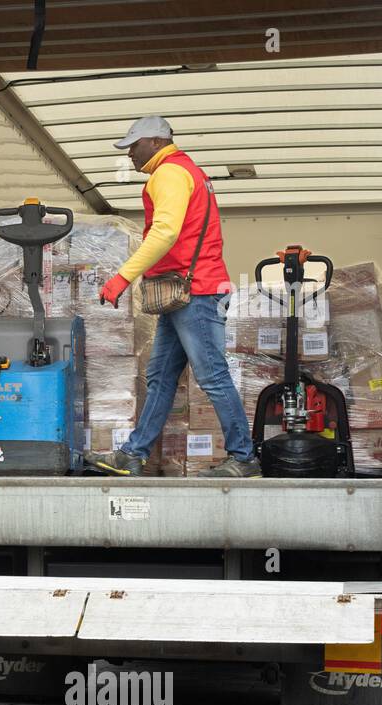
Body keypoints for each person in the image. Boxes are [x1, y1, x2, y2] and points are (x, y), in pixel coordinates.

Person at [84, 115, 258, 479]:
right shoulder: (186, 172)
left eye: (133, 145)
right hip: (185, 294)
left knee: (212, 376)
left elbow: (164, 233)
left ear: (155, 141)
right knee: (161, 376)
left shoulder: (170, 173)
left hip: (195, 293)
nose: (130, 154)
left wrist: (123, 277)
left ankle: (243, 457)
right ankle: (133, 454)